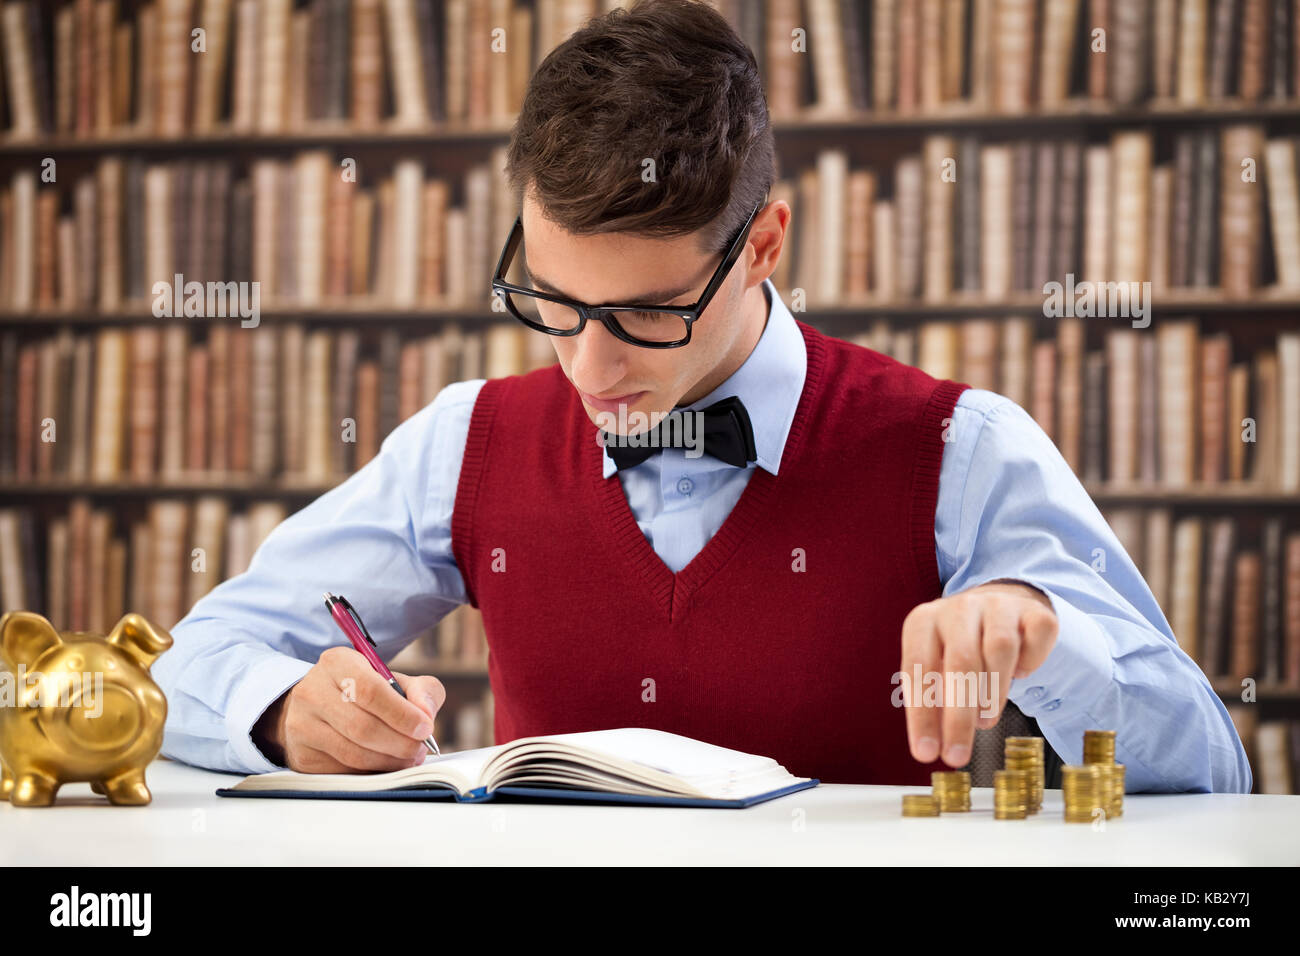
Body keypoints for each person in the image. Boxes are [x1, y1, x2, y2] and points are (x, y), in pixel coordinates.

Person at [153, 0, 1250, 792]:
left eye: (646, 314)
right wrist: (282, 710)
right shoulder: (464, 443)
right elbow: (194, 658)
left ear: (763, 242)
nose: (587, 370)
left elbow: (1211, 762)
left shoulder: (958, 447)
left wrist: (1049, 636)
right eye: (551, 301)